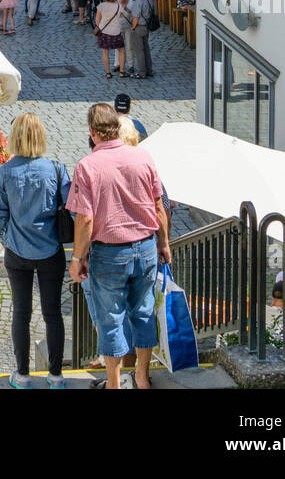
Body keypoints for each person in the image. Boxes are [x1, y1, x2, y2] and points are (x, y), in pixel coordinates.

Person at [66, 103, 170, 391]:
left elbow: (85, 219)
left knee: (111, 320)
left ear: (92, 131)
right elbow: (158, 205)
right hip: (146, 247)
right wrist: (163, 243)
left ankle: (113, 384)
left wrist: (77, 258)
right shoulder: (142, 157)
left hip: (110, 253)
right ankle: (141, 377)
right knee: (144, 312)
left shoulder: (87, 166)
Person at [0, 113, 70, 390]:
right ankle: (56, 376)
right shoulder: (56, 169)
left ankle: (22, 374)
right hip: (50, 250)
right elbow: (71, 205)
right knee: (53, 313)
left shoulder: (4, 172)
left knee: (21, 312)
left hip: (17, 250)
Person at [94, 0, 126, 78]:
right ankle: (122, 72)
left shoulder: (101, 6)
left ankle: (108, 73)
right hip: (116, 32)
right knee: (122, 51)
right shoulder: (118, 6)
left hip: (104, 32)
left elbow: (97, 20)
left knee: (105, 52)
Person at [127, 0, 155, 78]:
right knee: (146, 49)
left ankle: (142, 72)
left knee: (139, 50)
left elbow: (136, 17)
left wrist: (133, 28)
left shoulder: (139, 0)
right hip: (146, 27)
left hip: (139, 27)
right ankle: (149, 70)